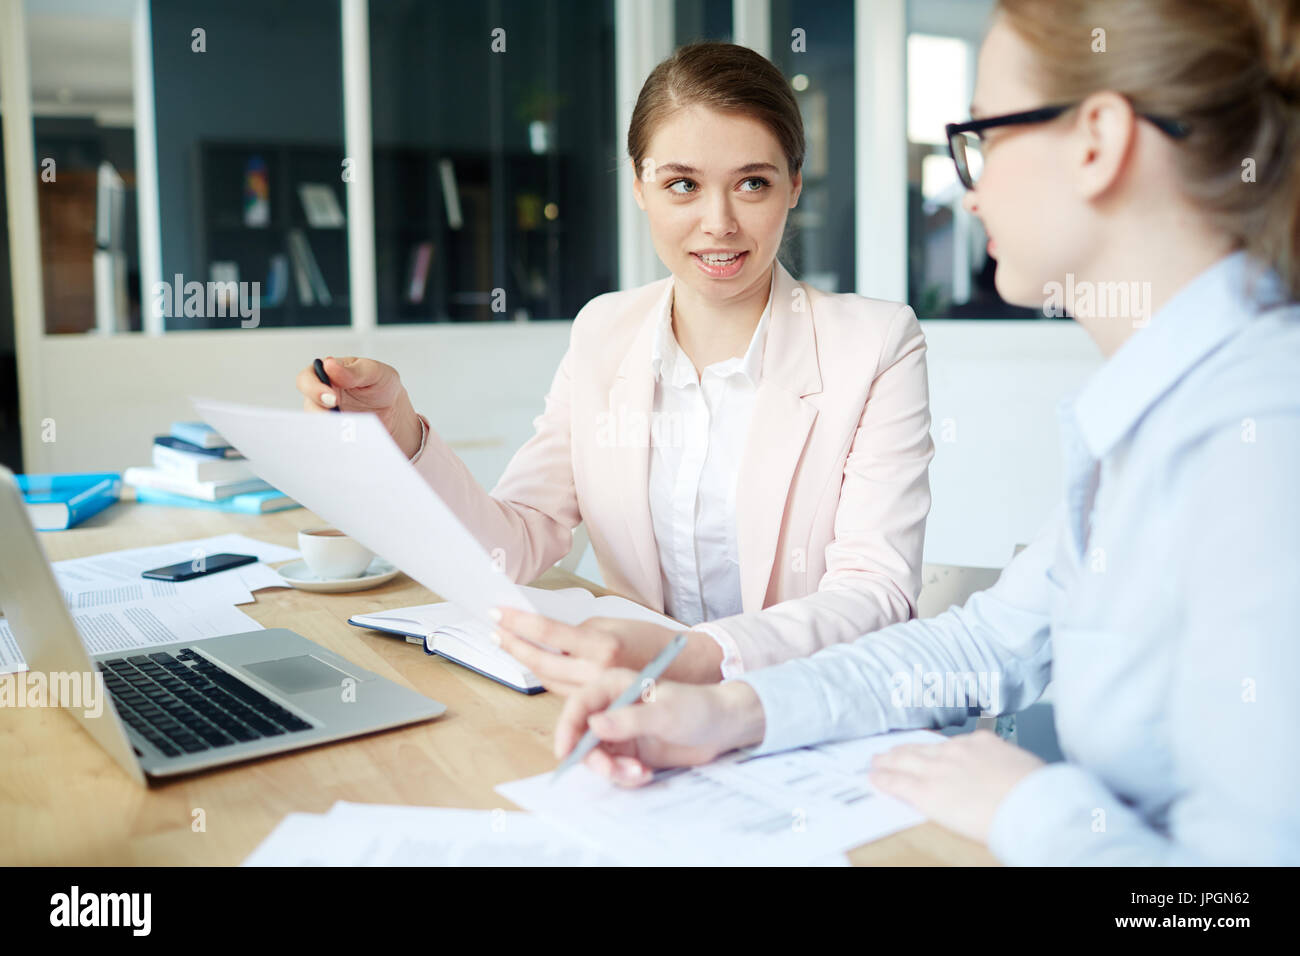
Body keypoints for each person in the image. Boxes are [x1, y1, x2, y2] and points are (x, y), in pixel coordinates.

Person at [542, 0, 1300, 865]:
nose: (968, 187)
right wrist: (730, 713)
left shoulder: (1263, 438)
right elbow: (982, 643)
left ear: (1096, 141)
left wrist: (1029, 805)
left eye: (984, 137)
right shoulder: (1158, 411)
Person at [296, 43, 935, 694]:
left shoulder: (876, 343)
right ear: (639, 185)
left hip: (795, 710)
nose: (718, 224)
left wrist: (690, 656)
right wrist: (401, 430)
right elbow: (513, 545)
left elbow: (874, 592)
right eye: (682, 184)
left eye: (752, 183)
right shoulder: (604, 330)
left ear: (793, 185)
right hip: (634, 708)